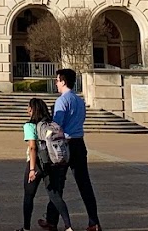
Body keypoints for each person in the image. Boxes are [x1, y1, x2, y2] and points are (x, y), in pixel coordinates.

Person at [38, 68, 101, 231]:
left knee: (57, 183)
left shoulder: (61, 101)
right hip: (79, 143)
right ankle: (93, 222)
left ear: (63, 81)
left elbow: (56, 126)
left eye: (57, 80)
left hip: (64, 145)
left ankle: (52, 220)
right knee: (84, 184)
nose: (56, 83)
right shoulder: (79, 100)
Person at [19, 97, 72, 231]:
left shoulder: (30, 125)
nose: (27, 109)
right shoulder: (52, 124)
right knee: (55, 196)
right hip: (51, 163)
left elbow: (32, 147)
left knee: (29, 196)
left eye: (28, 107)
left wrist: (32, 169)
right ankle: (68, 226)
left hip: (36, 163)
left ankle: (26, 228)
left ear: (32, 109)